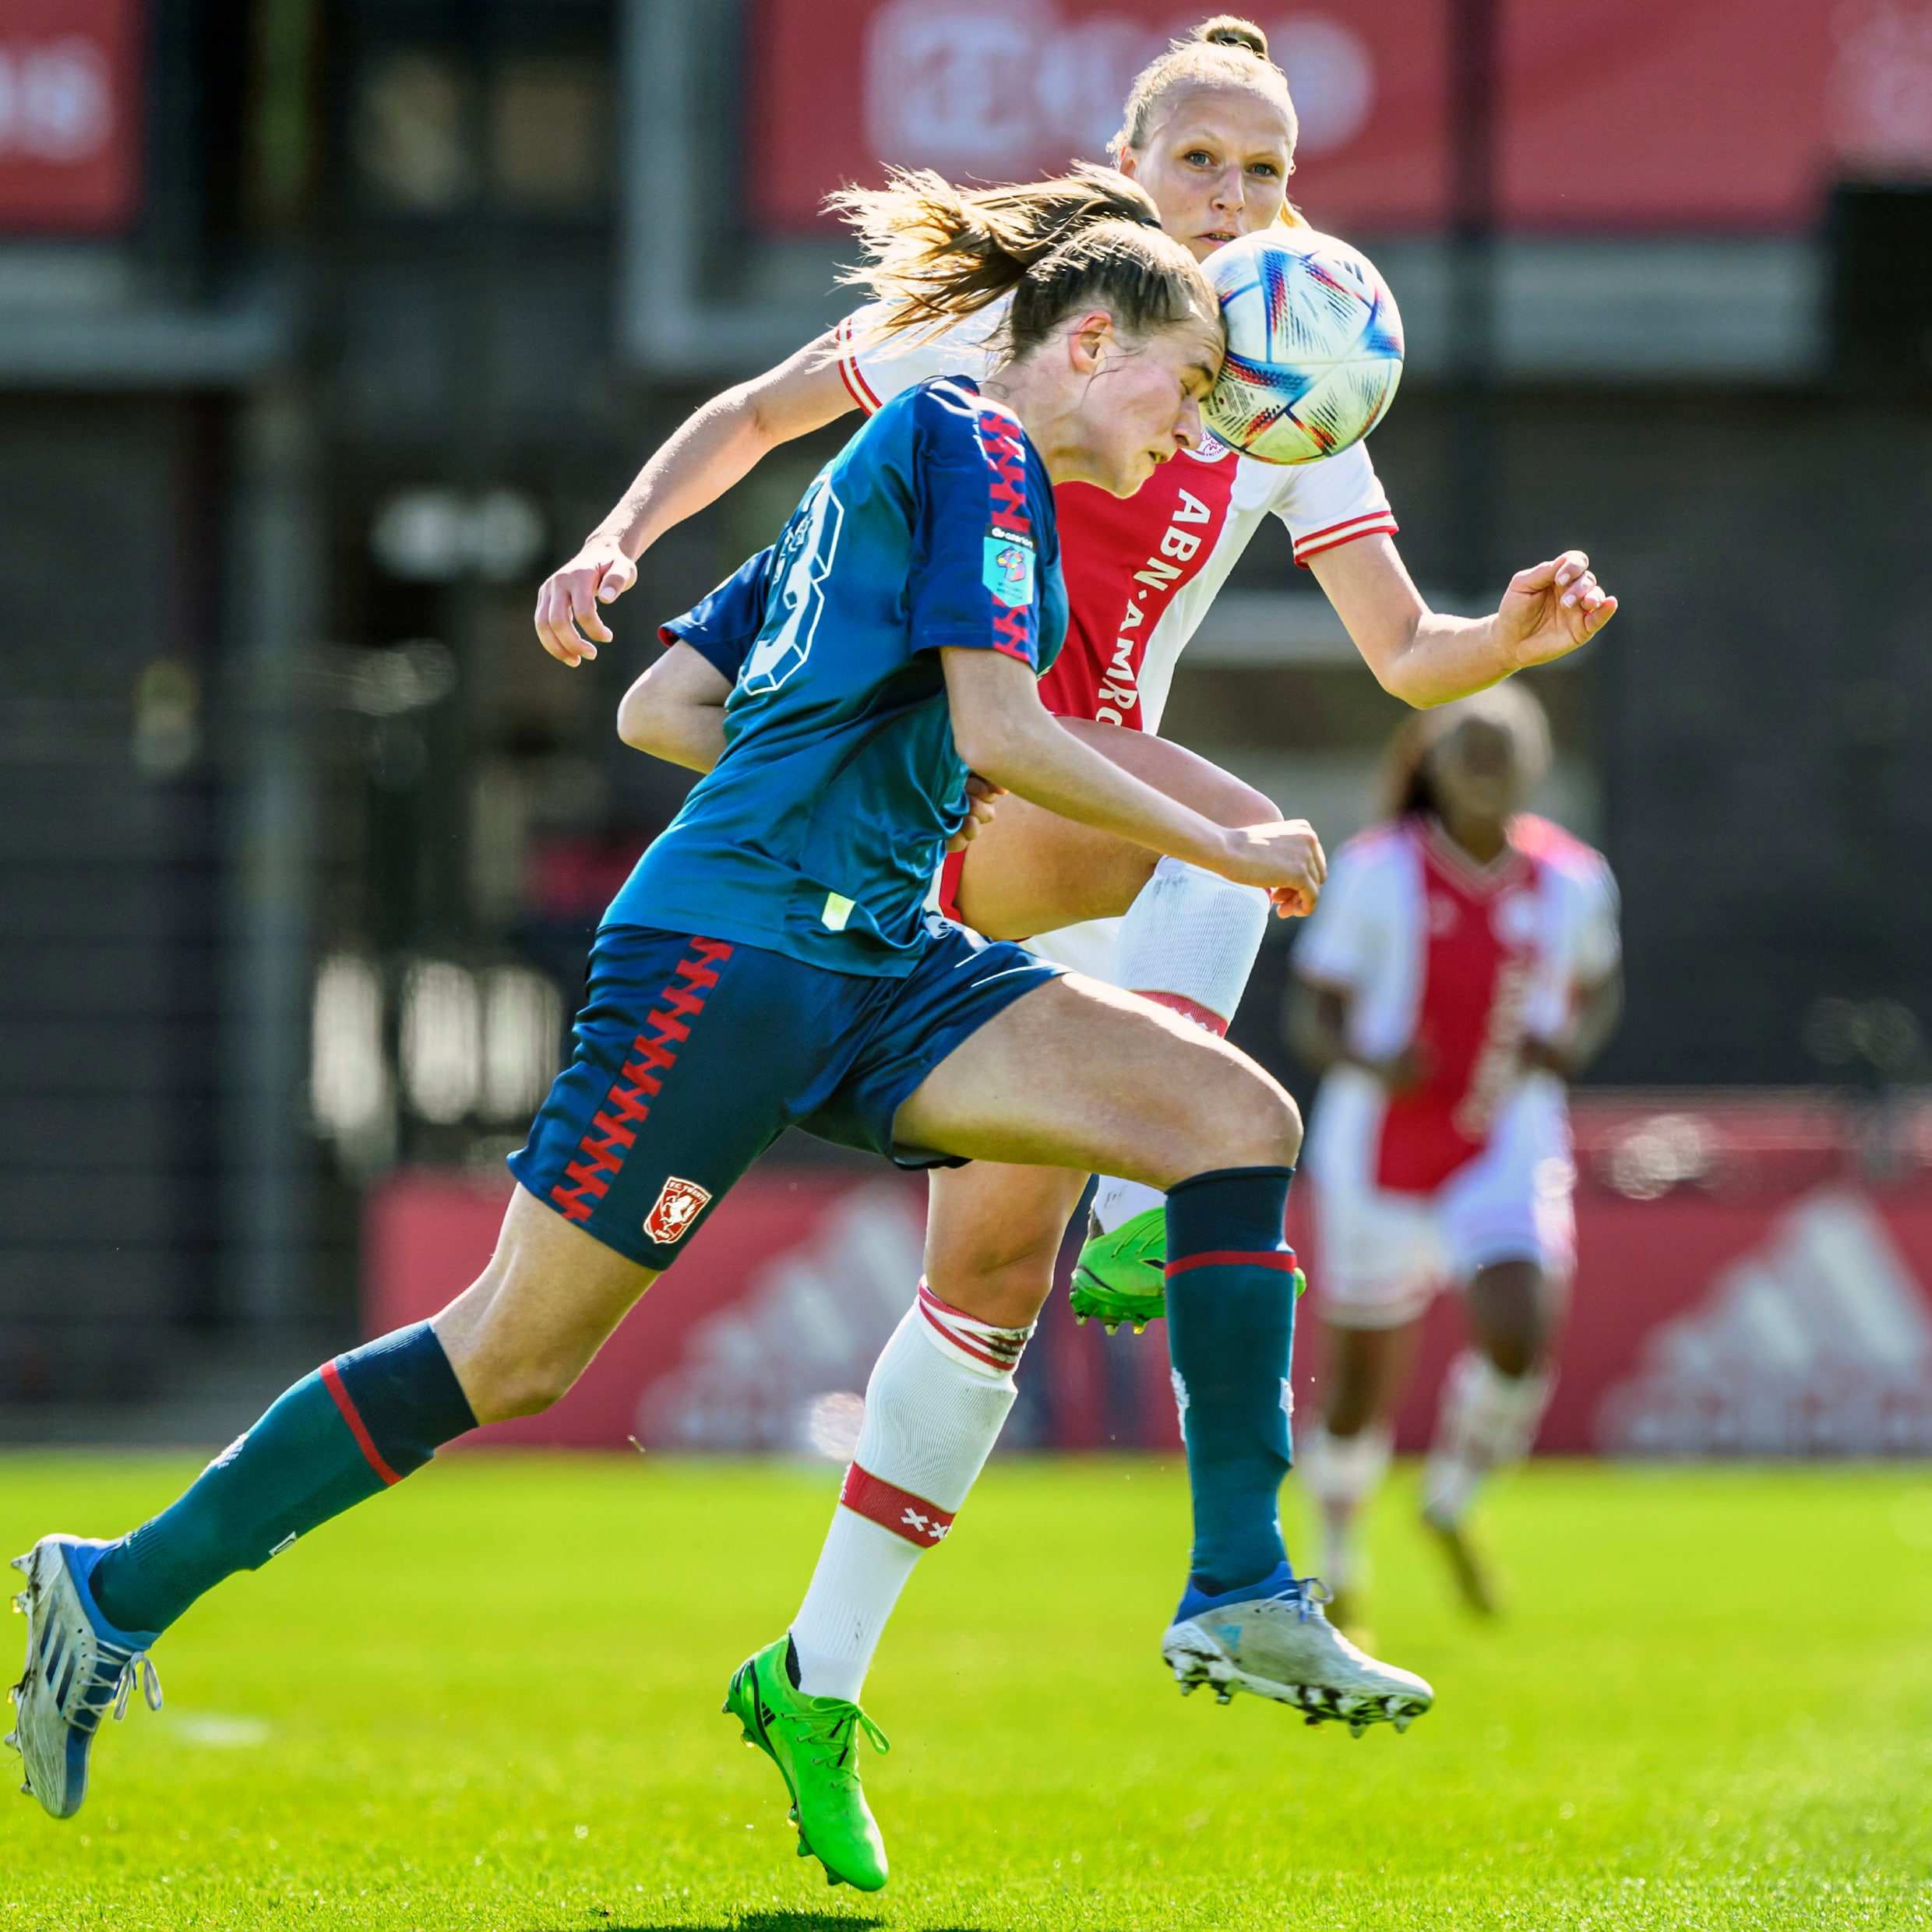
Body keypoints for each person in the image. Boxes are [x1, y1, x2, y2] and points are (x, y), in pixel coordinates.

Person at [9, 214, 1429, 1895]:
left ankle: (1239, 1583)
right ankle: (109, 1591)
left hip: (875, 950)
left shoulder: (911, 473)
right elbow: (999, 730)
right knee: (514, 1356)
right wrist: (1232, 839)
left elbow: (663, 707)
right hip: (731, 958)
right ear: (1091, 347)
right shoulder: (968, 438)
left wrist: (847, 762)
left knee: (1226, 1115)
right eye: (1186, 385)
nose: (1192, 428)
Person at [587, 12, 1615, 1815]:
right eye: (1201, 159)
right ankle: (1172, 1198)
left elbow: (1405, 656)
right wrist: (614, 543)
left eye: (1267, 168)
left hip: (1075, 796)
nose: (1233, 197)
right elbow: (756, 414)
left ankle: (815, 1678)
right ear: (1131, 167)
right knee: (1222, 829)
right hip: (968, 786)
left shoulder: (1294, 384)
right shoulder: (1011, 329)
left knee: (985, 1283)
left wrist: (1500, 640)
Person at [1286, 685, 1621, 1627]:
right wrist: (1370, 1058)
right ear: (1431, 762)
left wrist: (1571, 1042)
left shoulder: (1573, 879)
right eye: (1464, 746)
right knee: (1357, 1379)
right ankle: (1337, 1558)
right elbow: (1311, 1010)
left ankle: (1448, 1498)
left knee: (1518, 1328)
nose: (1482, 764)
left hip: (1504, 1133)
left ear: (1535, 763)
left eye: (1501, 747)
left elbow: (1598, 986)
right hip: (1377, 1144)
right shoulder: (1375, 868)